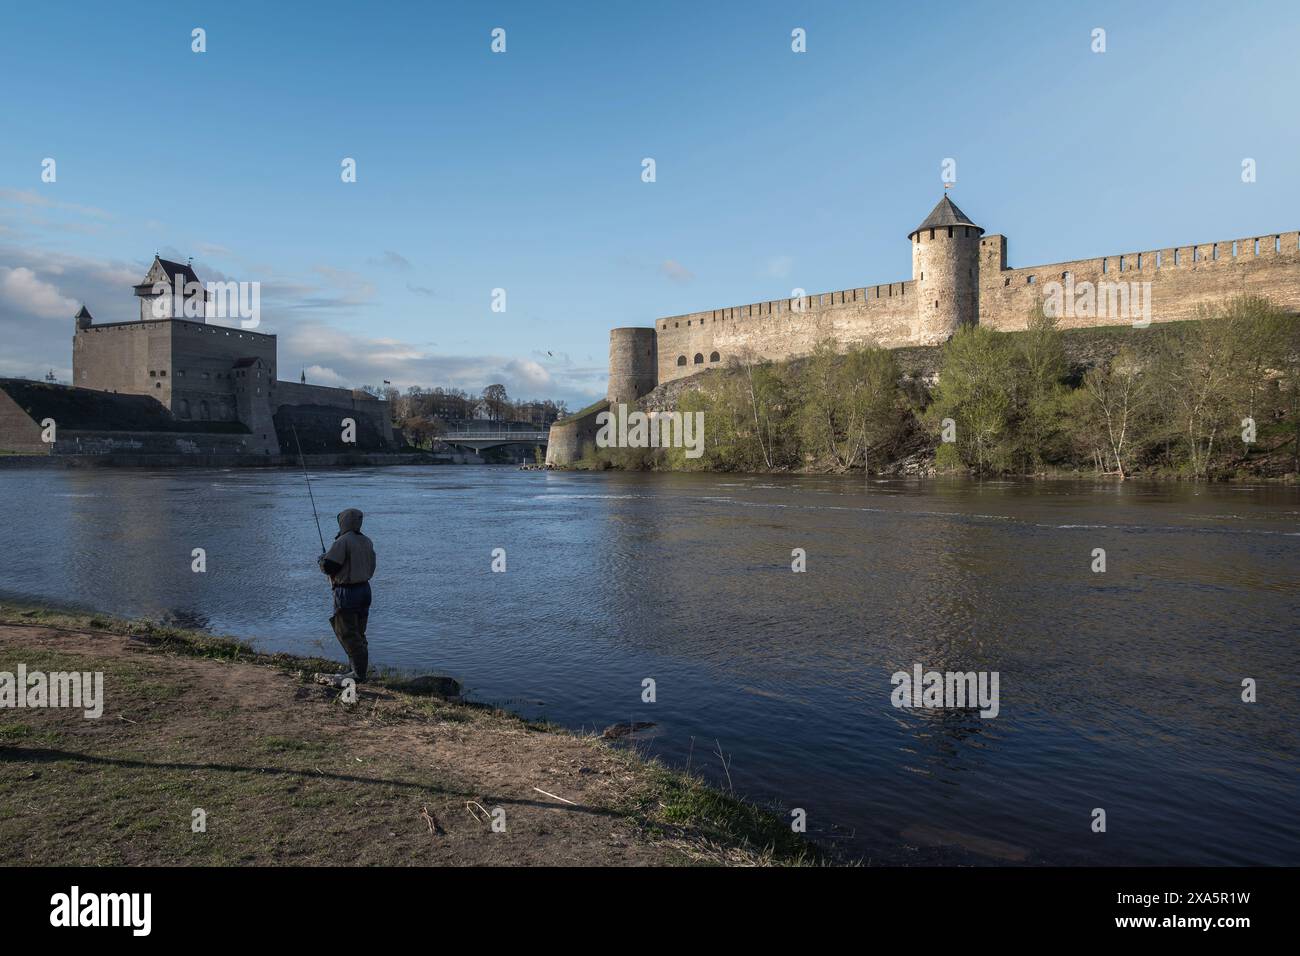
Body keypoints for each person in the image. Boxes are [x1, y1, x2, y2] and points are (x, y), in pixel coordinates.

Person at [317, 508, 376, 682]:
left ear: (343, 522)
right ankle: (356, 669)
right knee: (359, 632)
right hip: (365, 589)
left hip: (348, 592)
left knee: (347, 633)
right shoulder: (367, 541)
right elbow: (372, 566)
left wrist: (321, 560)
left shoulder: (343, 541)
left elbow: (330, 567)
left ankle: (358, 674)